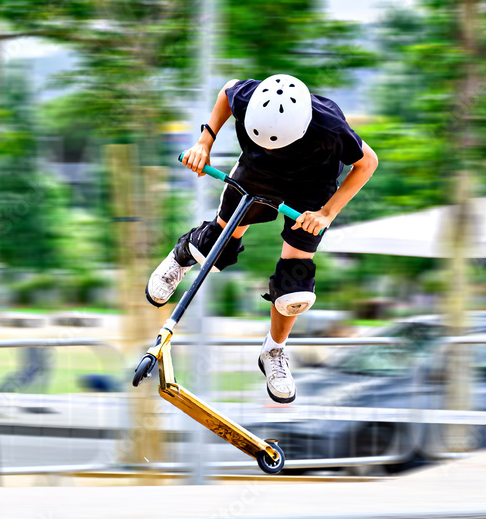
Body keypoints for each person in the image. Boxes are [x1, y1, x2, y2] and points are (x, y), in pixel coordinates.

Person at [146, 74, 378, 404]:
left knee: (295, 283)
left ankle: (274, 352)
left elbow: (367, 162)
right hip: (259, 171)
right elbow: (227, 91)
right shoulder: (249, 96)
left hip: (313, 184)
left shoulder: (330, 127)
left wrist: (327, 214)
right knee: (216, 247)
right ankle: (180, 257)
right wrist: (204, 143)